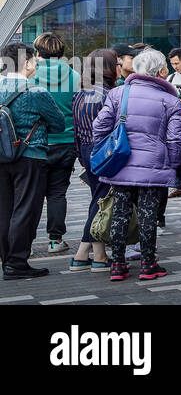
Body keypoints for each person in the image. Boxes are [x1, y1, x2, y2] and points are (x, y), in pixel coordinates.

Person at [90, 47, 181, 282]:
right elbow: (176, 139)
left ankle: (117, 265)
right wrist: (173, 164)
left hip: (120, 163)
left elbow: (99, 127)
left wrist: (105, 149)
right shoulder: (170, 100)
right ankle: (148, 263)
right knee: (148, 215)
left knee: (120, 213)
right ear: (161, 71)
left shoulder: (118, 94)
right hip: (153, 166)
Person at [0, 40, 65, 280]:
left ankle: (7, 260)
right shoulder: (36, 92)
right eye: (34, 61)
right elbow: (58, 123)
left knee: (4, 209)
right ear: (26, 63)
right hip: (30, 155)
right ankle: (17, 263)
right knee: (25, 208)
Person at [69, 48, 118, 273]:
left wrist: (81, 158)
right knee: (101, 201)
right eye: (115, 64)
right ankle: (83, 254)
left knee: (97, 200)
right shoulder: (111, 95)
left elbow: (77, 132)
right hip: (105, 152)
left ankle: (97, 255)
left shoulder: (80, 94)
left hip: (86, 151)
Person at [31, 32, 79, 258]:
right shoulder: (74, 75)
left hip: (36, 144)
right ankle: (55, 240)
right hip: (66, 142)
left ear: (37, 52)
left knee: (31, 195)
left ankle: (26, 242)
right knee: (57, 193)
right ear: (61, 52)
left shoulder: (30, 76)